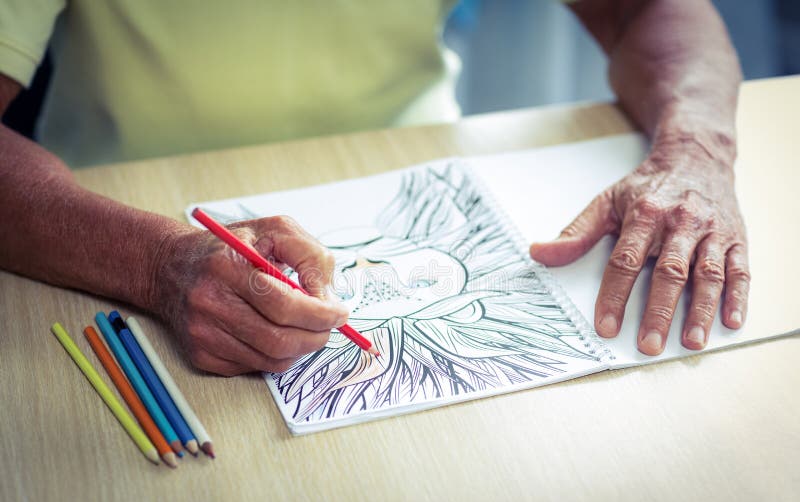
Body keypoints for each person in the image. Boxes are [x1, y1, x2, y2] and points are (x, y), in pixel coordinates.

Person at [0, 0, 749, 375]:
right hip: (113, 210)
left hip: (423, 175)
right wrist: (153, 261)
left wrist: (697, 147)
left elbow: (650, 10)